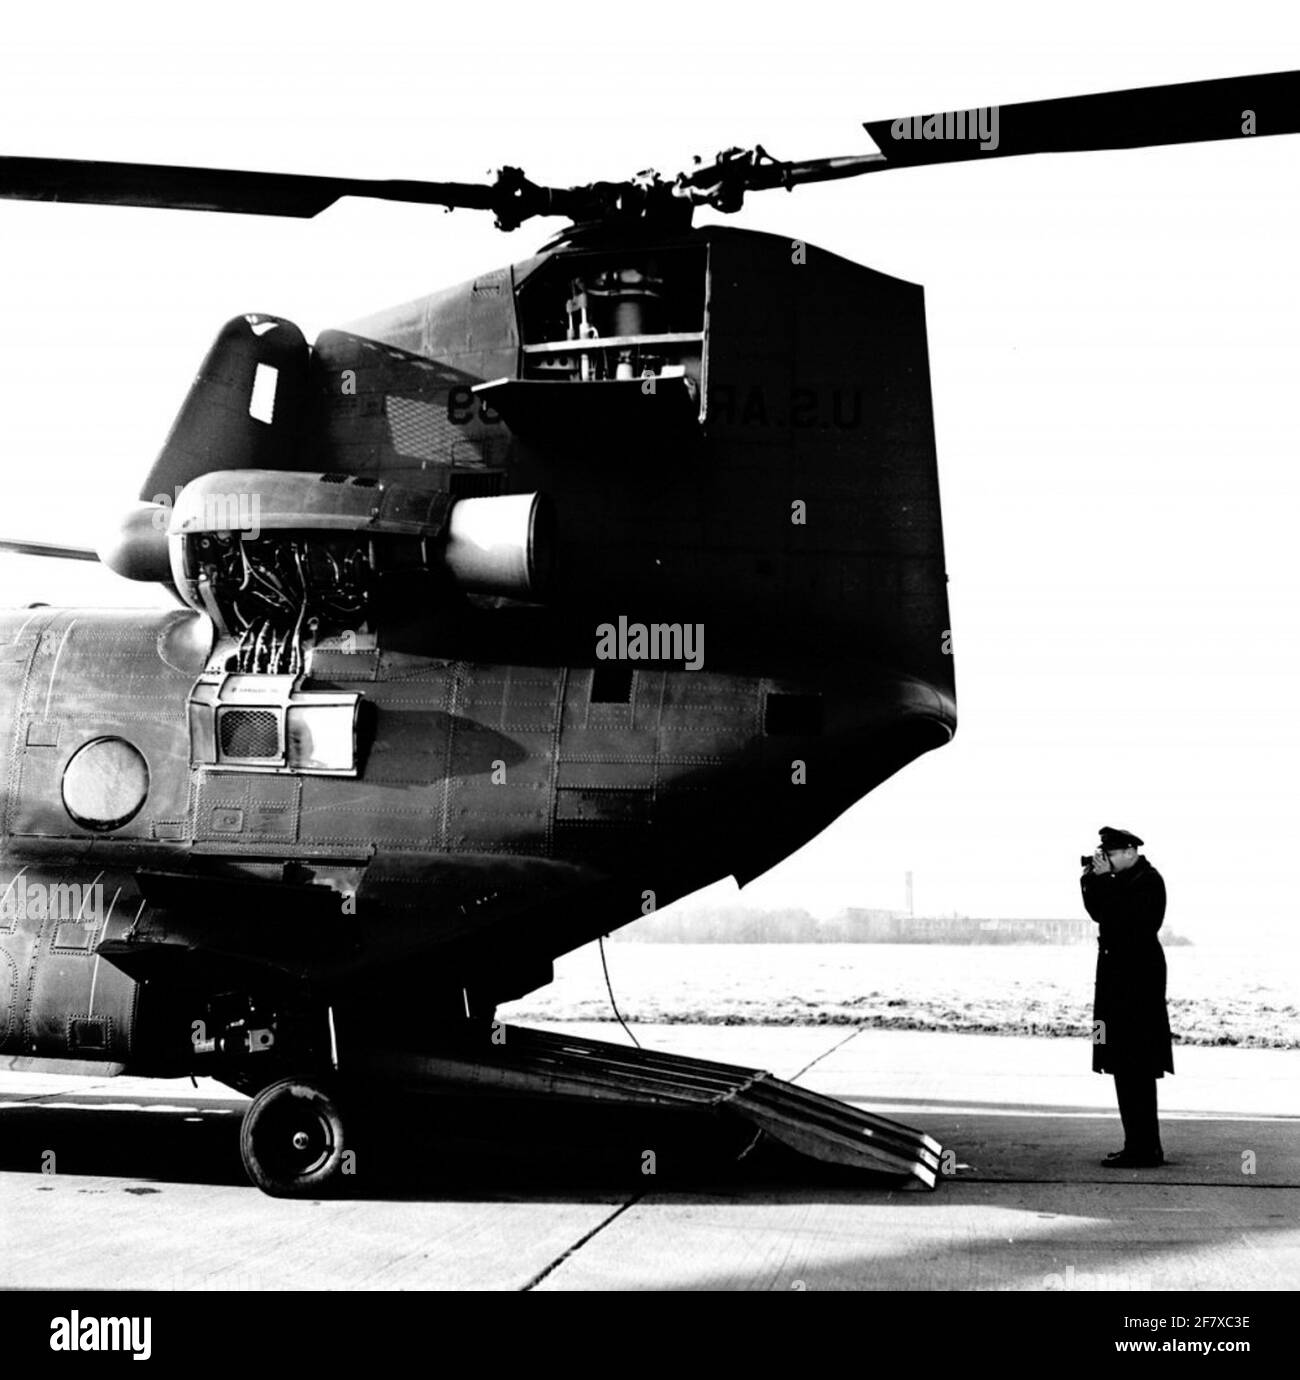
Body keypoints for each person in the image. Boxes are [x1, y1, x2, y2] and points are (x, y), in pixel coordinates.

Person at [1080, 826, 1173, 1168]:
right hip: (1116, 982)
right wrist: (1090, 879)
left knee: (1138, 1065)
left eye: (1112, 854)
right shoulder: (1120, 880)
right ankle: (1137, 1144)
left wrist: (1106, 880)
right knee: (1120, 1062)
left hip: (1137, 983)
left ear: (1132, 851)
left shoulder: (1148, 881)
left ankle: (1145, 1148)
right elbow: (1099, 912)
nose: (1107, 859)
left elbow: (1127, 920)